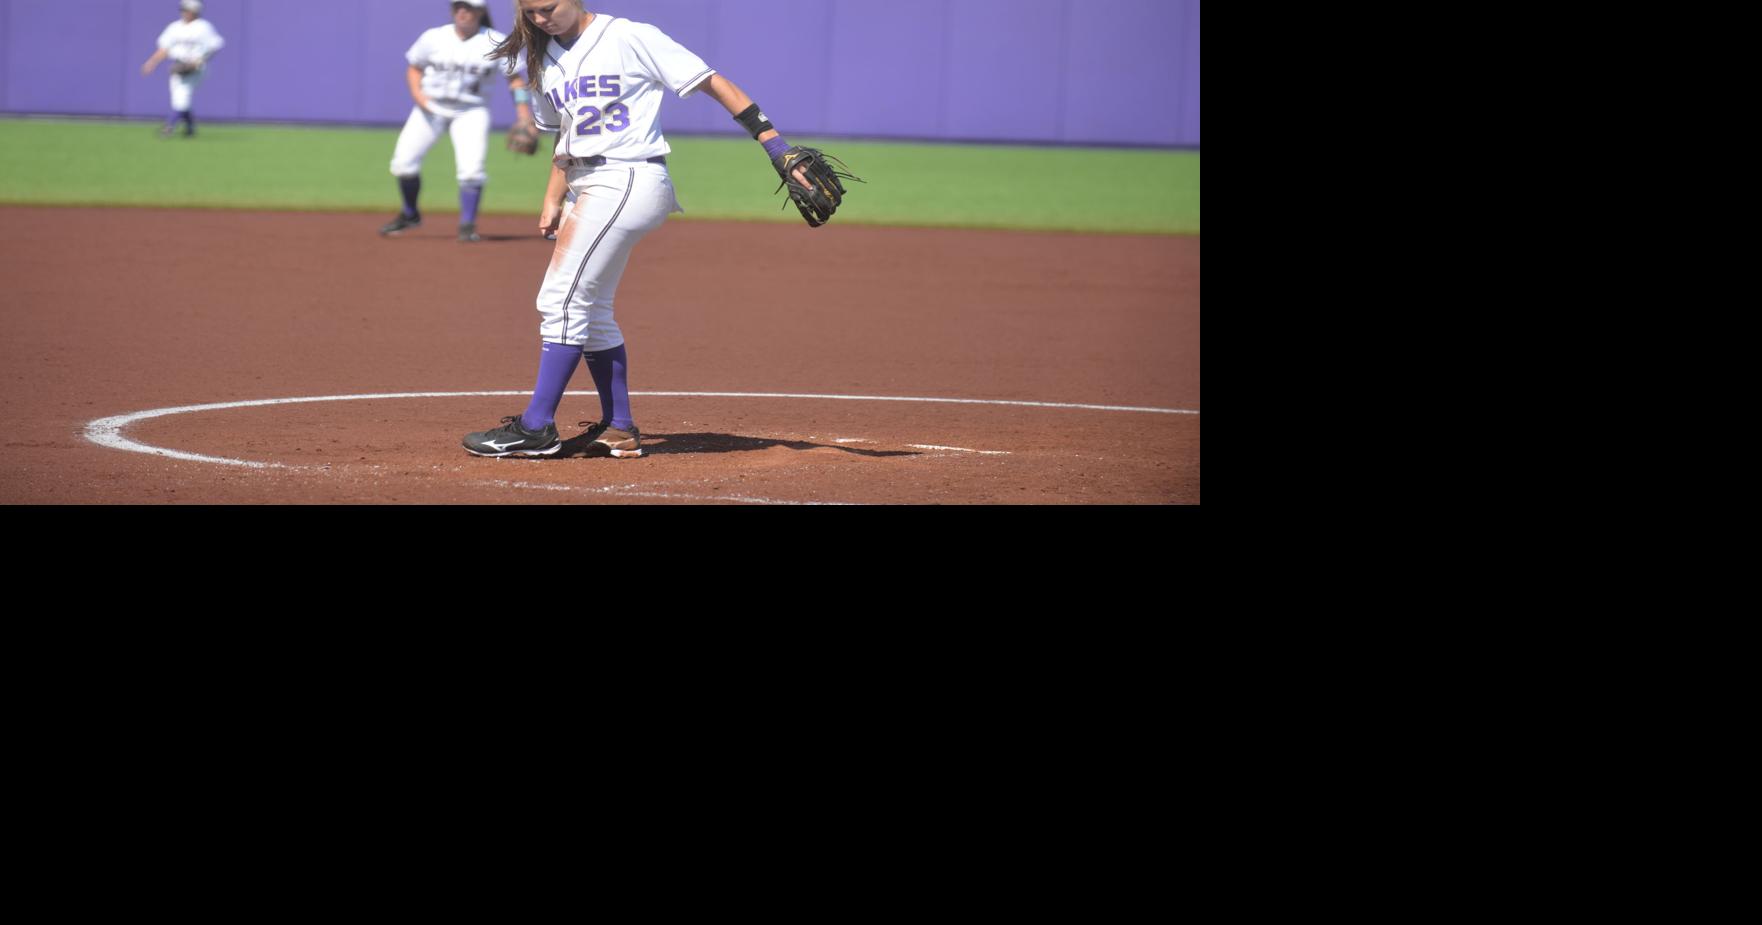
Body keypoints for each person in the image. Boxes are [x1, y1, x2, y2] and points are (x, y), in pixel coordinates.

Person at [461, 0, 839, 459]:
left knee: (560, 299)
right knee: (591, 308)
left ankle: (537, 427)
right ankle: (619, 429)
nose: (542, 18)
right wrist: (553, 197)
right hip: (588, 183)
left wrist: (773, 144)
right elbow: (567, 136)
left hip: (627, 177)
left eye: (549, 8)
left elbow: (711, 82)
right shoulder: (541, 57)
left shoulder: (629, 36)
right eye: (532, 12)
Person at [381, 1, 538, 243]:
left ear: (480, 11)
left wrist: (524, 114)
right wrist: (419, 97)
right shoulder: (433, 38)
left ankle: (467, 226)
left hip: (471, 111)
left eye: (469, 7)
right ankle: (410, 214)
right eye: (458, 7)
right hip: (430, 107)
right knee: (403, 164)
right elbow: (414, 68)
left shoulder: (496, 41)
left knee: (471, 171)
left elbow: (515, 79)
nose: (463, 11)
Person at [139, 0, 225, 139]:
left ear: (196, 11)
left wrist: (201, 59)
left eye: (188, 9)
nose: (185, 12)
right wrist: (151, 63)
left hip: (195, 68)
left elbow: (215, 45)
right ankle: (190, 128)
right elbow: (164, 48)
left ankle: (169, 127)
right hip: (178, 66)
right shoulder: (174, 27)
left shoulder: (203, 27)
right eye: (183, 9)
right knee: (180, 100)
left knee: (182, 96)